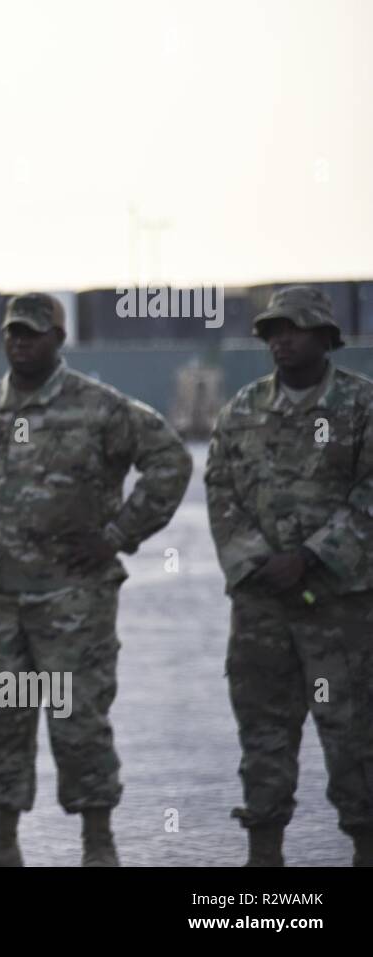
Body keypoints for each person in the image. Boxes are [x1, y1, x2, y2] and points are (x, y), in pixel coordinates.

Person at [0, 293, 191, 866]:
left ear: (59, 339)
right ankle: (1, 842)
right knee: (0, 719)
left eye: (34, 333)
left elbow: (170, 459)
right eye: (14, 333)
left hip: (75, 600)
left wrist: (118, 533)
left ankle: (98, 845)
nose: (21, 342)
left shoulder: (100, 409)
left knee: (80, 720)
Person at [205, 284, 373, 867]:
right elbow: (220, 491)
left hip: (342, 608)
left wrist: (313, 555)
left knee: (354, 736)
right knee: (264, 736)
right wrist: (255, 562)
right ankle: (264, 861)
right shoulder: (242, 411)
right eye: (272, 331)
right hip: (261, 609)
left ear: (326, 336)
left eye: (293, 329)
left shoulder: (361, 407)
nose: (281, 340)